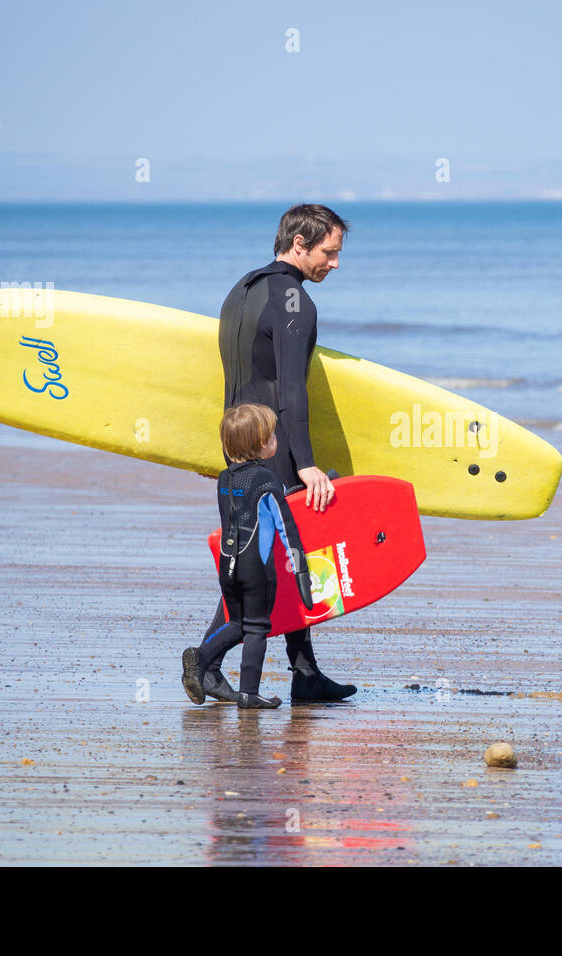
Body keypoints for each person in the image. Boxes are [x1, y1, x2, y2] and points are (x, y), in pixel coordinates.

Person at [196, 203, 356, 703]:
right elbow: (292, 390)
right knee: (278, 558)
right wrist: (304, 462)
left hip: (239, 443)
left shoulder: (241, 289)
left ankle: (303, 671)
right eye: (328, 253)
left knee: (261, 559)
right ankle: (205, 658)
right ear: (300, 244)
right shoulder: (295, 303)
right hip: (276, 447)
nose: (335, 264)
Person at [182, 404, 315, 709]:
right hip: (256, 567)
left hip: (227, 564)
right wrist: (302, 573)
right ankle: (249, 694)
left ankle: (200, 658)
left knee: (236, 624)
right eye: (271, 437)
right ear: (261, 445)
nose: (275, 441)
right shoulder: (268, 482)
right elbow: (286, 529)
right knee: (257, 628)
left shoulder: (225, 479)